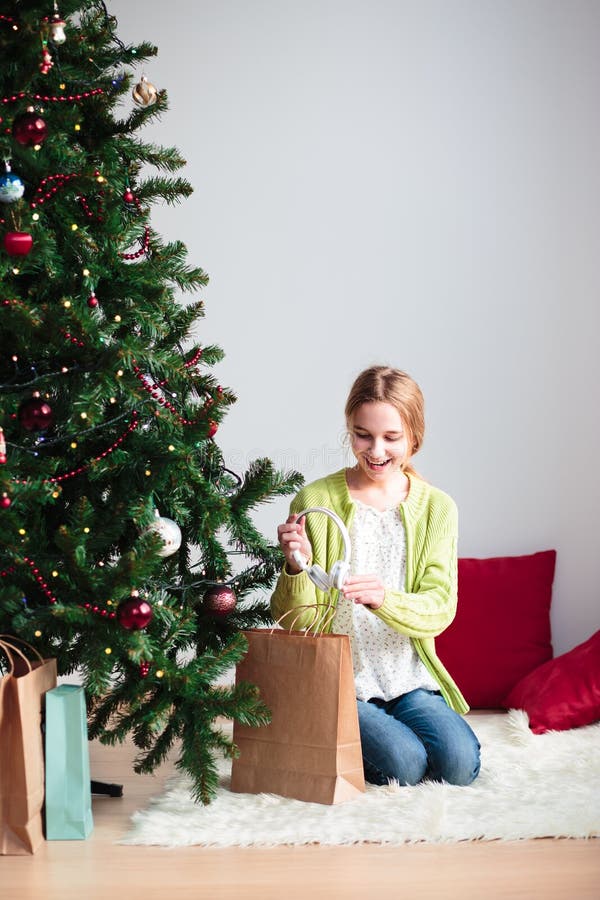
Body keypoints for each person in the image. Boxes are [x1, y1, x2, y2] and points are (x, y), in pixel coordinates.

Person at [271, 365, 481, 787]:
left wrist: (387, 599)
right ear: (349, 430)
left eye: (391, 438)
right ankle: (352, 731)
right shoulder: (317, 500)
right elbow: (295, 621)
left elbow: (440, 608)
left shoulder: (438, 508)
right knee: (405, 765)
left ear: (414, 437)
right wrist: (295, 568)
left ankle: (374, 736)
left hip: (409, 681)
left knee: (459, 765)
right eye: (362, 435)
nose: (376, 450)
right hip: (342, 680)